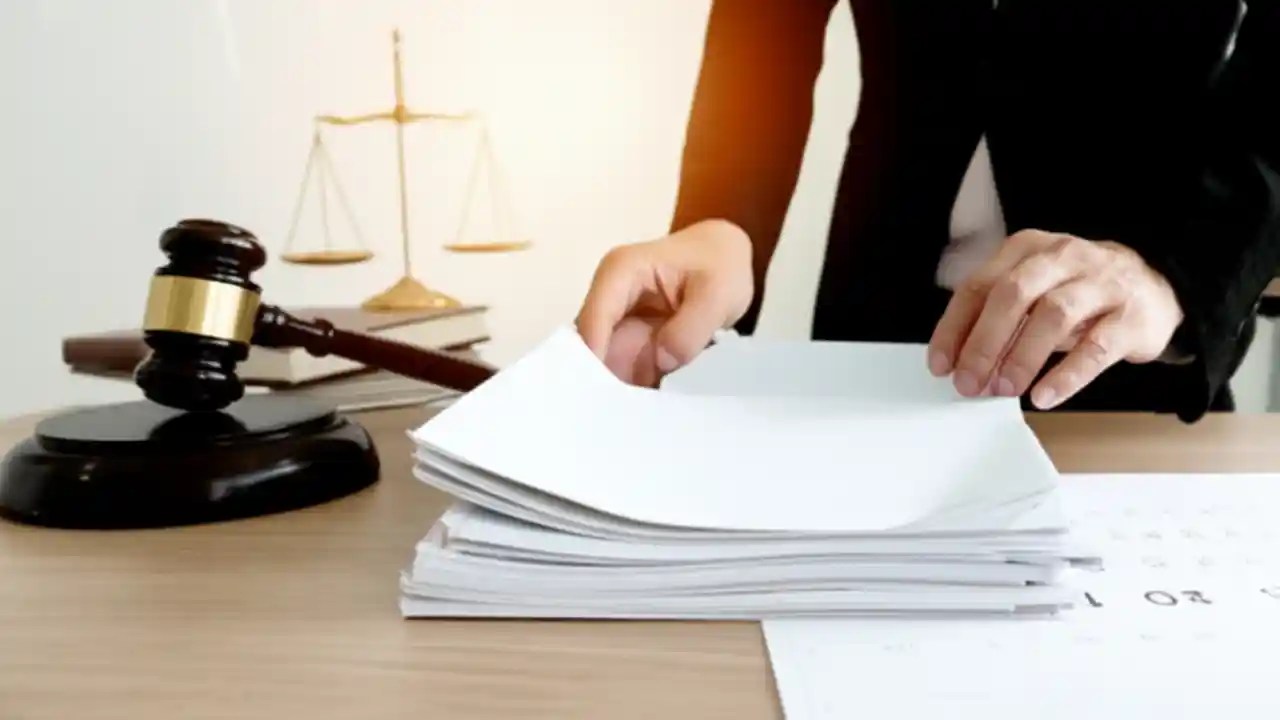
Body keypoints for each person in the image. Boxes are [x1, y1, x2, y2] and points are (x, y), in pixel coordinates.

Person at [574, 0, 1280, 422]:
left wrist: (1182, 276)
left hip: (1123, 364)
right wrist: (723, 221)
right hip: (874, 342)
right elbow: (765, 27)